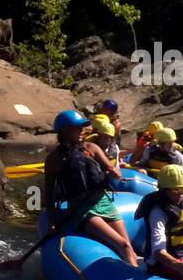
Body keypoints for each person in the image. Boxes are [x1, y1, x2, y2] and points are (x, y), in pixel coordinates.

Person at [42, 110, 138, 265]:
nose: (82, 130)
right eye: (77, 127)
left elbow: (110, 167)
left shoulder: (91, 148)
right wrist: (53, 221)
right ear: (65, 130)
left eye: (82, 127)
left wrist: (114, 171)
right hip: (82, 209)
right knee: (124, 246)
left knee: (129, 248)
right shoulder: (54, 159)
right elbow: (49, 193)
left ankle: (131, 273)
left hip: (104, 202)